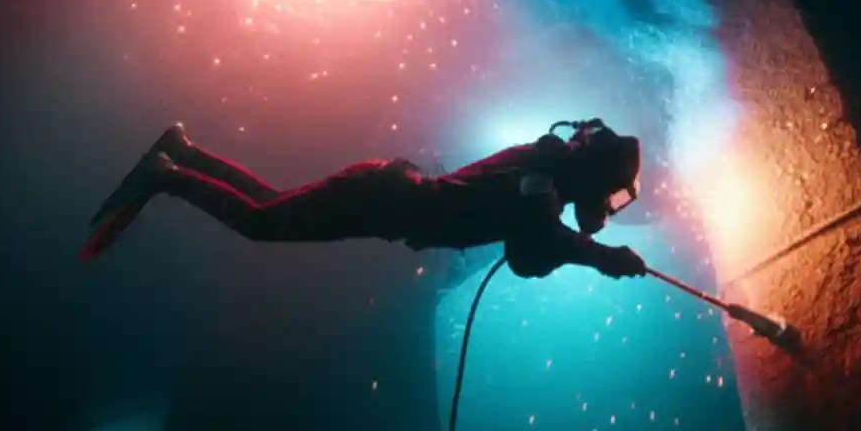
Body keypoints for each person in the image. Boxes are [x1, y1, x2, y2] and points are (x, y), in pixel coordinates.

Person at [83, 119, 649, 280]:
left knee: (271, 204)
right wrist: (602, 256)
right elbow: (536, 242)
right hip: (378, 199)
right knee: (260, 222)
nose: (605, 208)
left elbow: (528, 255)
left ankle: (185, 152)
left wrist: (593, 250)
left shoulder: (546, 173)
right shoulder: (543, 177)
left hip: (382, 196)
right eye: (609, 196)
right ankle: (165, 173)